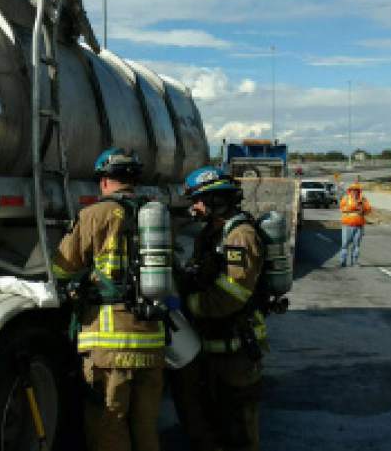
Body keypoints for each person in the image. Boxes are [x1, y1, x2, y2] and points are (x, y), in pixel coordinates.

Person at [52, 148, 166, 451]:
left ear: (103, 181)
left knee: (109, 427)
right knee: (145, 428)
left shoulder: (95, 214)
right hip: (153, 340)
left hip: (111, 345)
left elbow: (63, 267)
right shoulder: (155, 214)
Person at [171, 166, 266, 451]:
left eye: (199, 201)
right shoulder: (210, 234)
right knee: (211, 424)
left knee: (238, 430)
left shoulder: (240, 236)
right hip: (213, 347)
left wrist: (190, 305)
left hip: (236, 351)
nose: (195, 207)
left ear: (217, 200)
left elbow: (233, 294)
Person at [338, 182, 371, 267]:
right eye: (352, 190)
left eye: (356, 190)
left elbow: (368, 210)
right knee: (345, 244)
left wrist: (362, 209)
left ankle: (354, 262)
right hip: (347, 225)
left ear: (359, 191)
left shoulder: (363, 200)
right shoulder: (346, 199)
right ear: (350, 191)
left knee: (357, 245)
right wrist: (355, 208)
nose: (354, 191)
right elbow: (342, 208)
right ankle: (343, 261)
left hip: (359, 226)